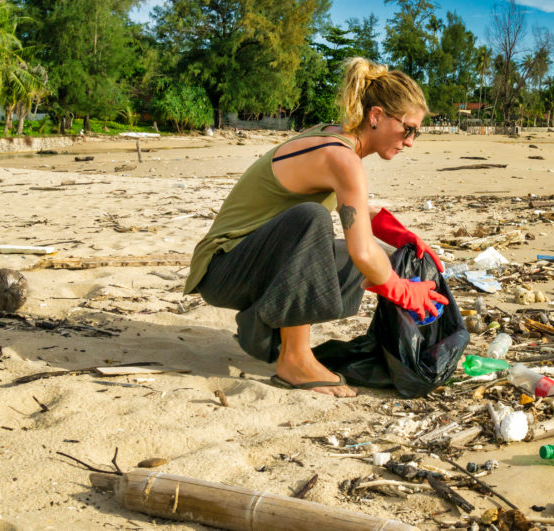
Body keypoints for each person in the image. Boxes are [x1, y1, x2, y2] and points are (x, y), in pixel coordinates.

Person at [183, 57, 448, 397]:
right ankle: (293, 358)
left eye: (416, 132)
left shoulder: (335, 138)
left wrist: (401, 236)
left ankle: (267, 325)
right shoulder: (342, 158)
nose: (410, 141)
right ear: (377, 116)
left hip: (251, 262)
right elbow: (358, 245)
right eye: (407, 129)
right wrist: (402, 291)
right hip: (223, 267)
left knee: (369, 257)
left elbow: (356, 213)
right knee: (313, 220)